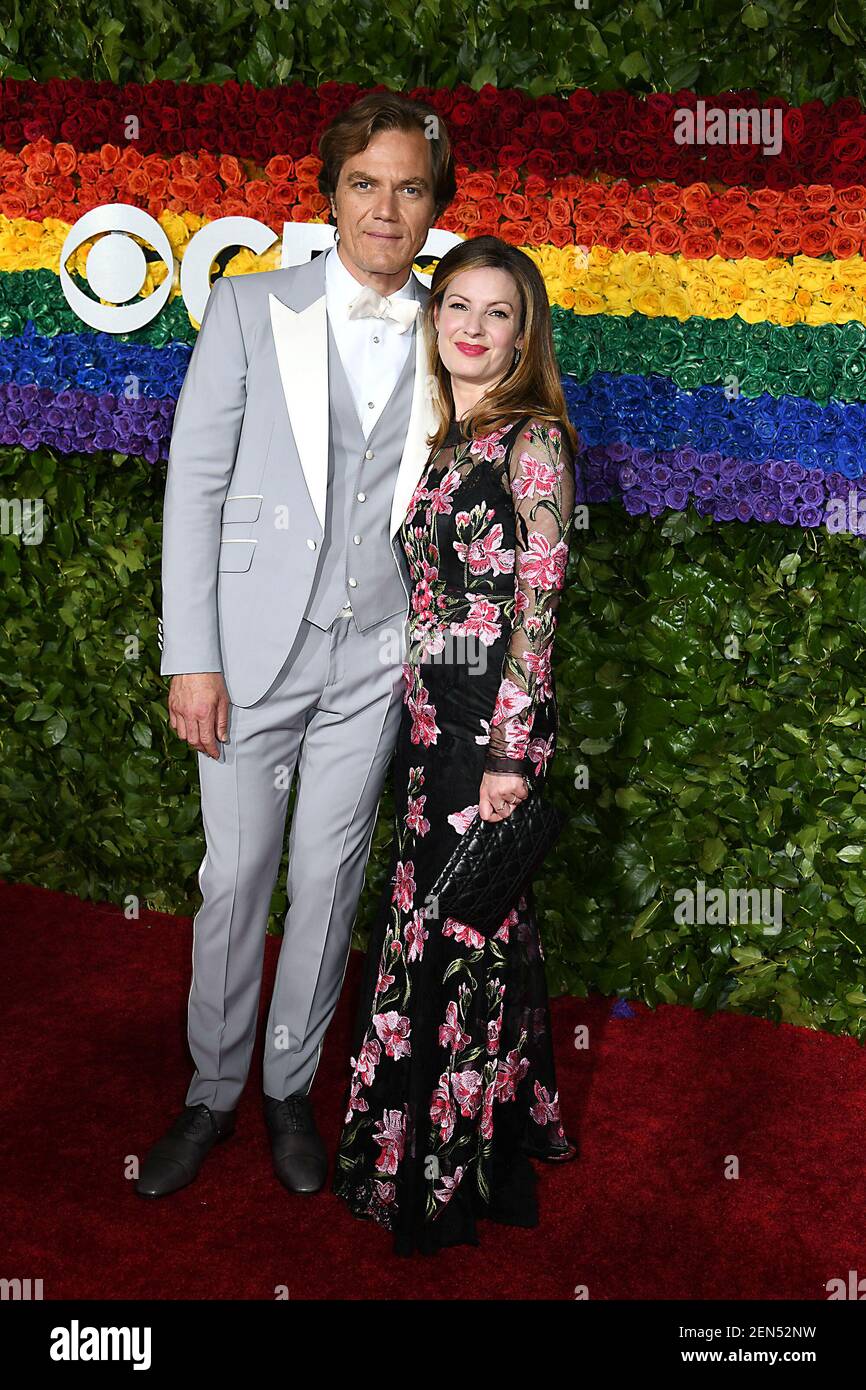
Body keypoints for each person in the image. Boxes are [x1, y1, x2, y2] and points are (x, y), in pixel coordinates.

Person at [136, 91, 456, 1200]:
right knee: (237, 880)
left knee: (327, 880)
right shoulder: (249, 307)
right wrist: (193, 654)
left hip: (375, 659)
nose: (385, 206)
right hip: (249, 650)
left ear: (432, 208)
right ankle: (210, 1091)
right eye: (365, 183)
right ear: (329, 195)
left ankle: (284, 1090)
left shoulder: (452, 331)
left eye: (408, 187)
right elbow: (195, 488)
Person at [332, 234, 580, 1255]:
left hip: (486, 725)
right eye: (457, 309)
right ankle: (501, 1120)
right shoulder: (446, 437)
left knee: (457, 927)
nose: (472, 329)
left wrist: (509, 753)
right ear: (435, 322)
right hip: (428, 716)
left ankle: (438, 1164)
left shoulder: (533, 441)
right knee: (471, 922)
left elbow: (538, 599)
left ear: (523, 335)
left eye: (496, 314)